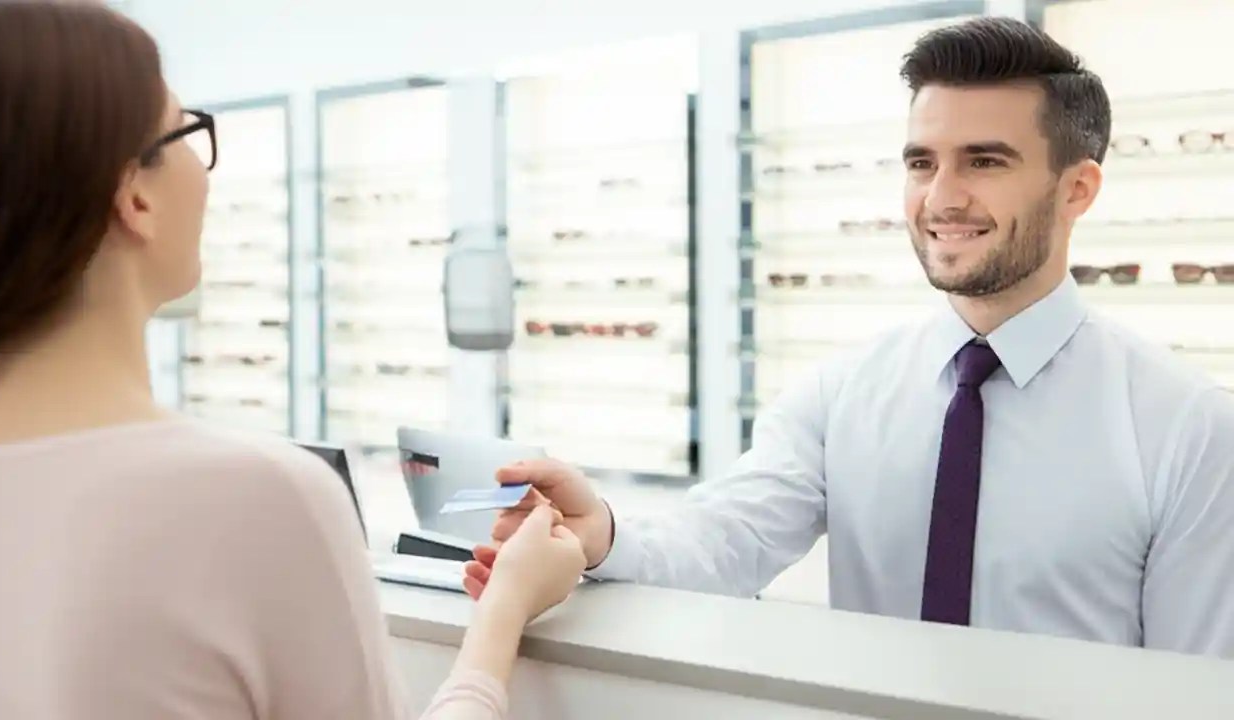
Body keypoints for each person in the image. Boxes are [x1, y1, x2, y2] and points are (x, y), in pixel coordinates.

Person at [478, 16, 1234, 658]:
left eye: (984, 162)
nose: (942, 197)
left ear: (1078, 189)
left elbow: (1198, 684)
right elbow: (726, 540)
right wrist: (603, 532)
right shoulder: (842, 394)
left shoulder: (1187, 427)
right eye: (922, 163)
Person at [0, 3, 584, 719]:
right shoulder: (253, 499)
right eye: (186, 130)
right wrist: (507, 606)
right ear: (134, 196)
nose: (204, 172)